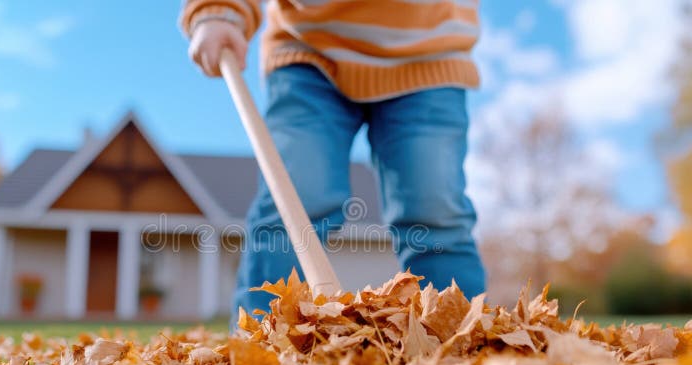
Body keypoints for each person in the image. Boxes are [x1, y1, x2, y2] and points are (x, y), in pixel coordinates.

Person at [180, 0, 486, 318]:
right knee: (295, 202)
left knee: (434, 212)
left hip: (431, 51)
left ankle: (461, 341)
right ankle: (263, 347)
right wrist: (219, 9)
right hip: (308, 49)